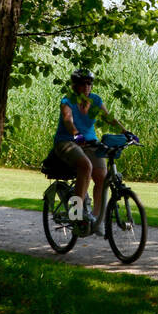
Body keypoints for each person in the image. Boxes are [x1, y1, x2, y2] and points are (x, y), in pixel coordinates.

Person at [52, 70, 130, 232]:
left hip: (90, 143)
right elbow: (68, 120)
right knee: (85, 166)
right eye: (83, 83)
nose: (87, 86)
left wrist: (125, 132)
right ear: (75, 85)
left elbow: (109, 118)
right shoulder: (68, 100)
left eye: (89, 83)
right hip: (67, 142)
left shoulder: (95, 100)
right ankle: (75, 215)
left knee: (102, 177)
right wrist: (76, 135)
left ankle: (95, 220)